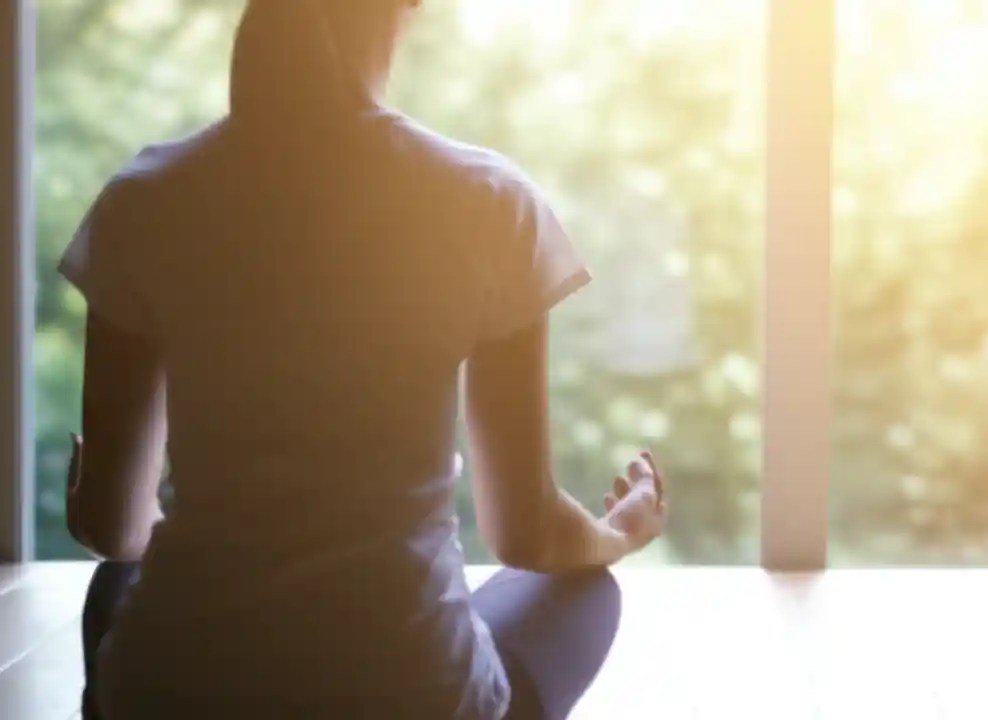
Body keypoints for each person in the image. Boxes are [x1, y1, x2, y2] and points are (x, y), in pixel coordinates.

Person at [61, 1, 669, 718]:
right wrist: (621, 530)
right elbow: (527, 533)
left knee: (119, 582)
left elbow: (111, 528)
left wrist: (93, 483)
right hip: (409, 693)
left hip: (176, 691)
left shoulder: (143, 198)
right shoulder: (488, 200)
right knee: (582, 586)